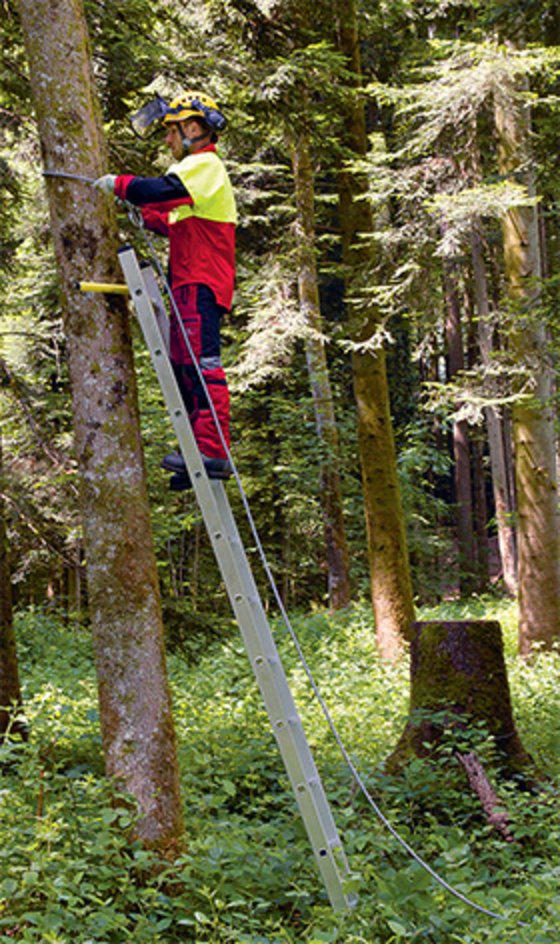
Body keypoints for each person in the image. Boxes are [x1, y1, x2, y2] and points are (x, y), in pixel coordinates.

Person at [94, 91, 236, 489]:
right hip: (190, 284)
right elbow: (171, 217)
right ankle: (197, 455)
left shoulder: (204, 165)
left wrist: (121, 185)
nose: (167, 141)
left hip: (200, 282)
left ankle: (211, 450)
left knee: (199, 366)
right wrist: (141, 211)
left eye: (171, 132)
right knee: (182, 368)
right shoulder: (195, 178)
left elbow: (161, 191)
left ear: (192, 128)